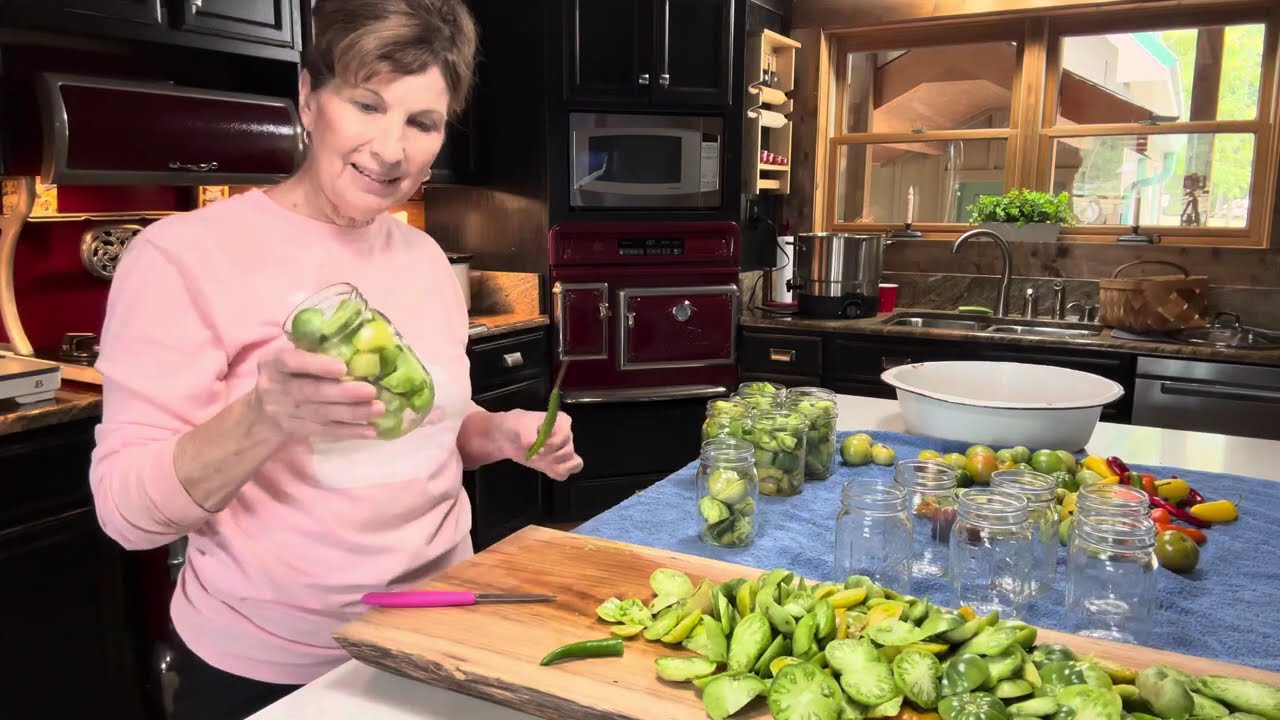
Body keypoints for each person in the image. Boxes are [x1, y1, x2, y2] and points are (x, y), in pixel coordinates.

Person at [88, 1, 582, 718]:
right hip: (272, 664)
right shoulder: (179, 257)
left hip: (436, 628)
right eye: (366, 104)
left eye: (422, 122)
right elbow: (128, 515)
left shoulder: (423, 257)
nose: (391, 149)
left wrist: (496, 433)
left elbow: (432, 430)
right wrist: (265, 415)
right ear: (308, 99)